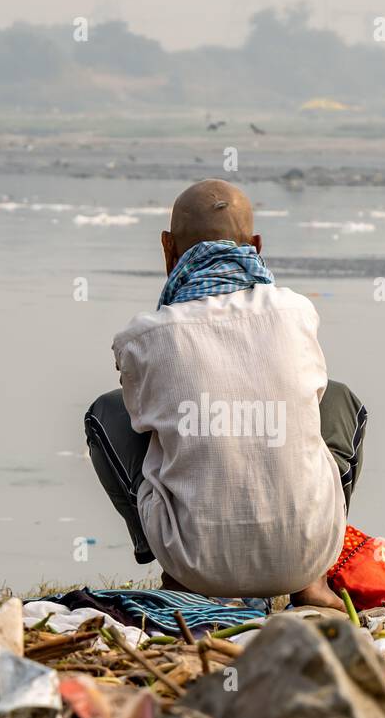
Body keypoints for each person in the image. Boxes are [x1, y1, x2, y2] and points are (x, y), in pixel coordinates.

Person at [84, 179, 366, 610]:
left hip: (198, 562)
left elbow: (145, 419)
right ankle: (312, 584)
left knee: (108, 412)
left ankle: (177, 577)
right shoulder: (297, 313)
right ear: (255, 246)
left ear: (167, 249)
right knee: (339, 401)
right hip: (305, 554)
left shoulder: (145, 336)